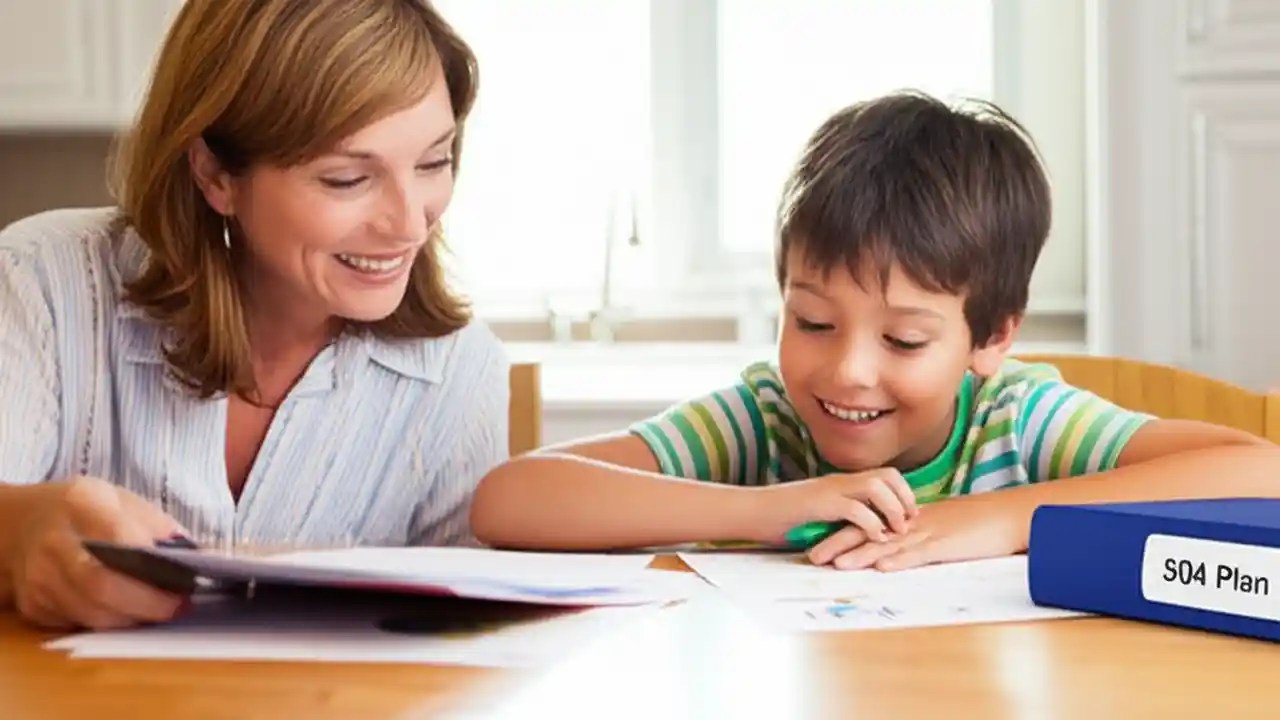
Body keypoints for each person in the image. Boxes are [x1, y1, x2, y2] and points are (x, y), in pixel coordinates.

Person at [470, 91, 1280, 570]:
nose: (847, 371)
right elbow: (510, 500)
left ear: (991, 338)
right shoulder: (763, 423)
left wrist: (997, 519)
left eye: (903, 341)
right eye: (813, 321)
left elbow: (1260, 473)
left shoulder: (1017, 422)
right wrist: (768, 510)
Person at [0, 0, 508, 630]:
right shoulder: (41, 284)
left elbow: (464, 637)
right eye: (348, 178)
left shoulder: (460, 370)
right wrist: (15, 533)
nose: (410, 222)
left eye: (434, 162)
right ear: (215, 173)